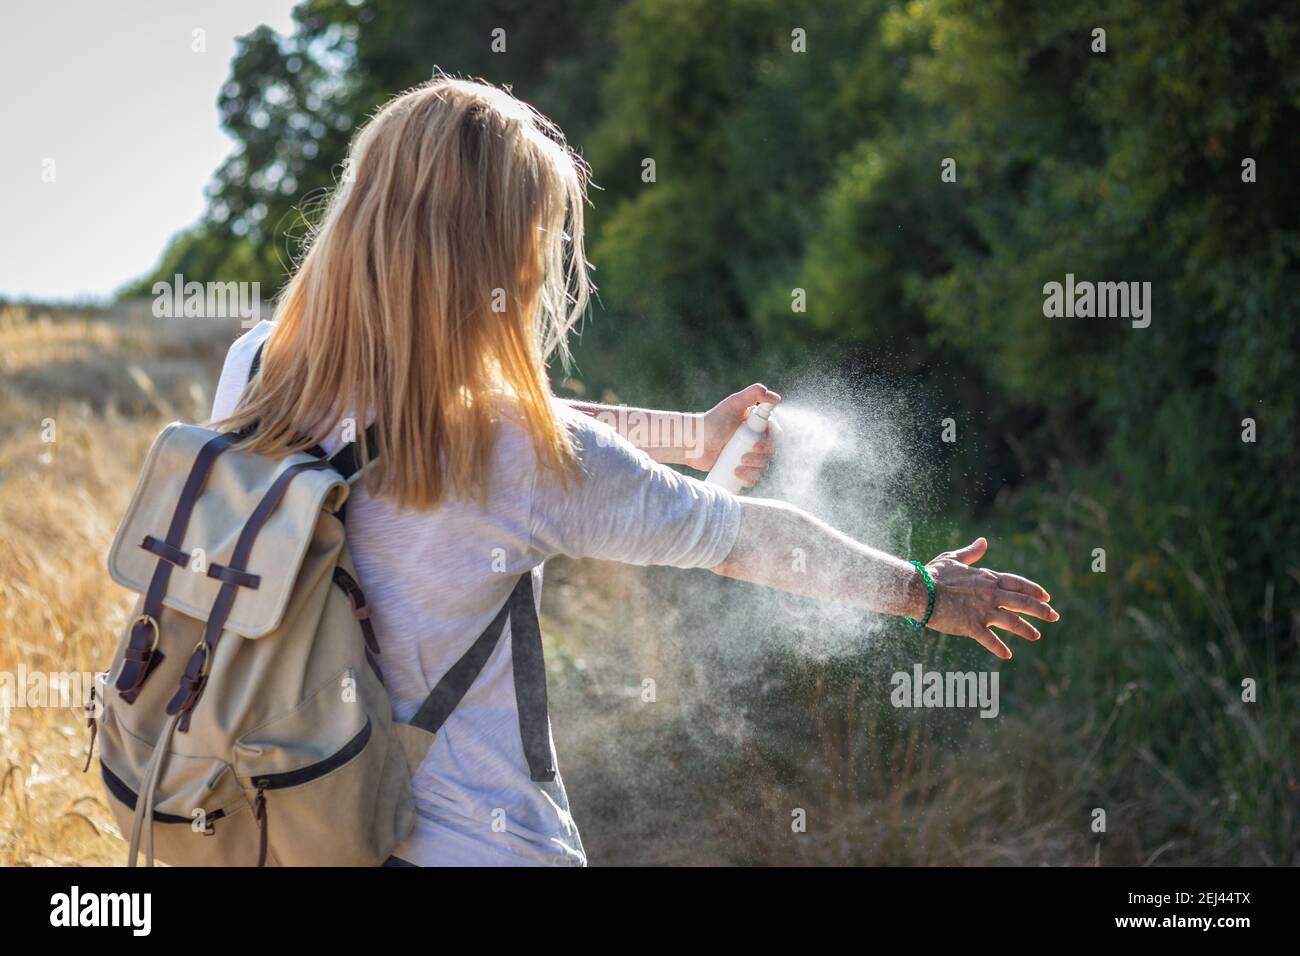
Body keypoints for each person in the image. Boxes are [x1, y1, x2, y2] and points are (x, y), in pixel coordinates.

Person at [212, 77, 1058, 866]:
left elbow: (465, 415)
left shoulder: (259, 365)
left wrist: (689, 434)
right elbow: (747, 538)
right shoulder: (516, 452)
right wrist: (929, 594)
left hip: (289, 827)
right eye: (536, 230)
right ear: (497, 250)